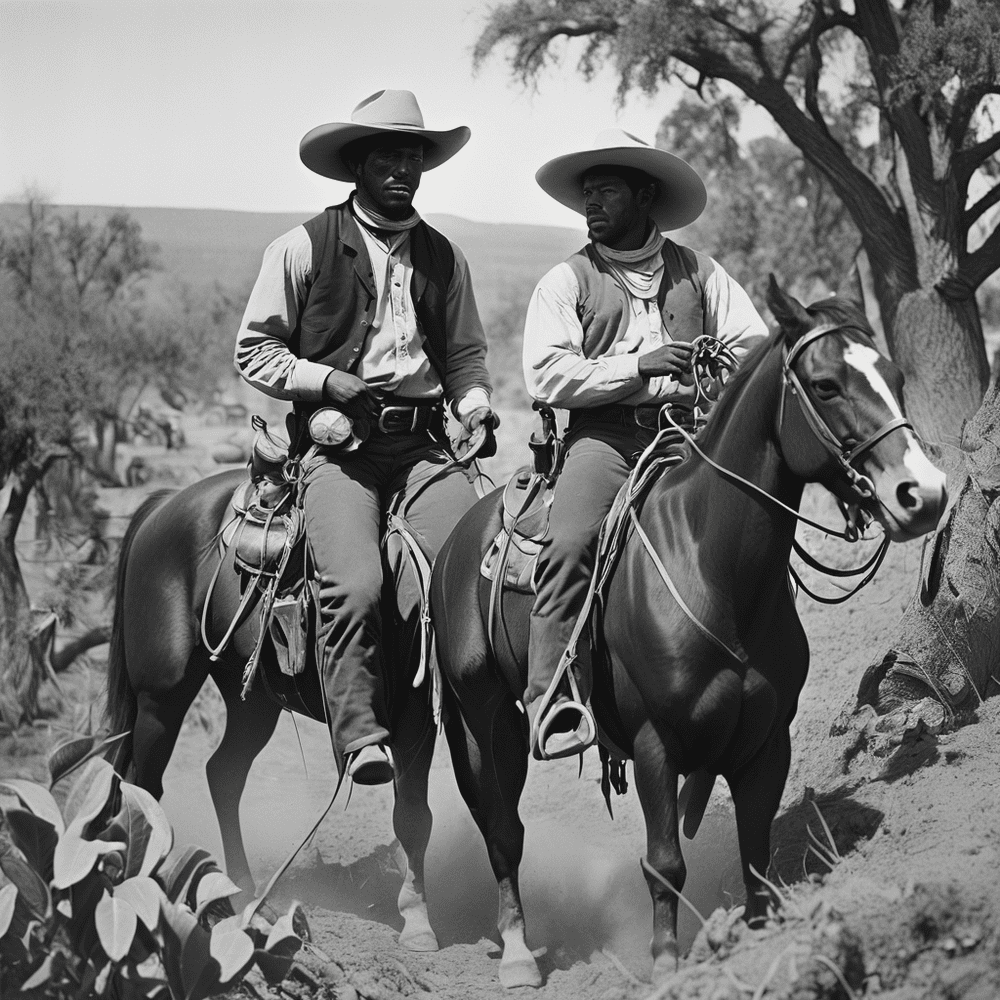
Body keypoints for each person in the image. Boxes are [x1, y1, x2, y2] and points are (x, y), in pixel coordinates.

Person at [235, 90, 496, 785]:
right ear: (357, 165)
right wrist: (326, 381)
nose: (403, 170)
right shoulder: (302, 247)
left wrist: (475, 408)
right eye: (387, 157)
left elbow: (466, 356)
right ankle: (361, 735)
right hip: (337, 451)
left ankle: (490, 715)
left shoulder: (444, 258)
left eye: (413, 157)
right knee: (354, 584)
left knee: (477, 575)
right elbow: (253, 351)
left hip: (423, 448)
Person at [522, 128, 768, 760]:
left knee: (752, 530)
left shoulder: (702, 272)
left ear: (645, 196)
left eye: (606, 190)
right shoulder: (566, 280)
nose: (591, 203)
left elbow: (754, 347)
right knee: (569, 541)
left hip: (691, 436)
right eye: (587, 193)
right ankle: (552, 696)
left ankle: (765, 669)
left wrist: (714, 370)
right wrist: (638, 366)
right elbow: (546, 374)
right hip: (605, 440)